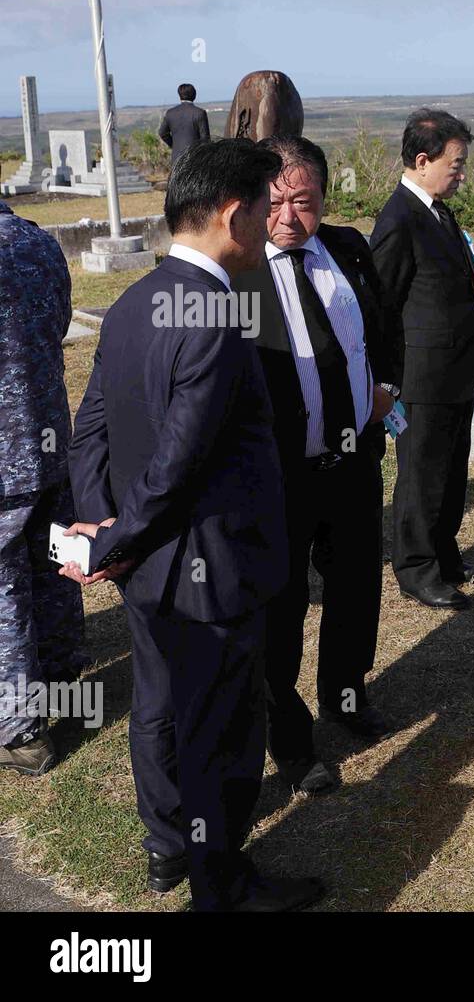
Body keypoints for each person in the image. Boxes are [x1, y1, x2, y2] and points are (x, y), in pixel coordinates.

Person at [63, 138, 324, 912]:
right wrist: (109, 539)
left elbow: (91, 431)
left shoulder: (135, 301)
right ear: (234, 213)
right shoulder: (216, 315)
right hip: (210, 570)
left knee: (157, 707)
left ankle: (167, 847)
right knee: (221, 733)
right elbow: (178, 463)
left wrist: (95, 527)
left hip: (146, 569)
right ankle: (223, 886)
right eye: (263, 211)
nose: (273, 226)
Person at [230, 134, 400, 793]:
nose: (288, 218)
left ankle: (347, 697)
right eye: (275, 202)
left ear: (324, 198)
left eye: (304, 201)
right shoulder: (237, 273)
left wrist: (389, 386)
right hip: (280, 476)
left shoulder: (348, 246)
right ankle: (291, 743)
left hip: (354, 462)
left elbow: (382, 325)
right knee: (282, 610)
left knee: (357, 590)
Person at [370, 108, 474, 610]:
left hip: (456, 371)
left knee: (451, 471)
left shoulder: (439, 210)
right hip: (421, 377)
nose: (461, 174)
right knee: (422, 475)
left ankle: (446, 555)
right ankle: (417, 568)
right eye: (456, 164)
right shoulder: (399, 218)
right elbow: (381, 306)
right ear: (423, 160)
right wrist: (388, 382)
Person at [0, 201, 85, 776]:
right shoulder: (38, 243)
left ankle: (19, 730)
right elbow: (58, 326)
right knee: (52, 568)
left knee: (4, 589)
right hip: (50, 438)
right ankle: (60, 678)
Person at [157, 83, 210, 167]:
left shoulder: (170, 113)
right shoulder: (200, 113)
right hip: (195, 159)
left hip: (176, 159)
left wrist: (174, 145)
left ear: (179, 96)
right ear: (194, 95)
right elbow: (205, 139)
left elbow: (162, 133)